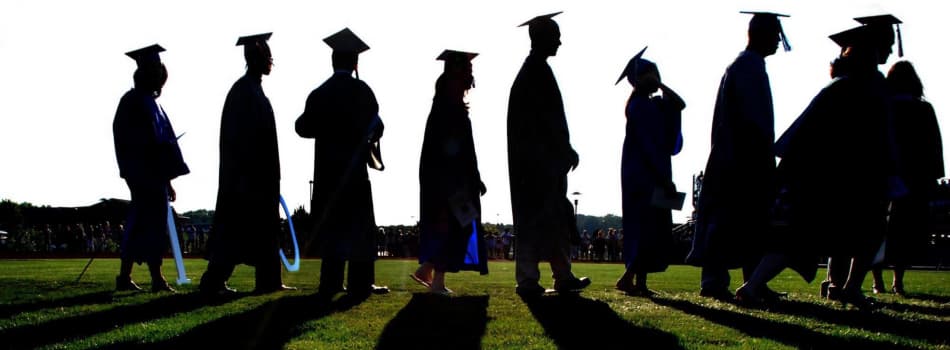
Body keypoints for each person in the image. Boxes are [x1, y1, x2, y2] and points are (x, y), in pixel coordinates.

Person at [737, 19, 902, 309]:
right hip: (840, 178)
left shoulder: (843, 84)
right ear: (872, 49)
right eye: (885, 45)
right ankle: (848, 287)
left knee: (801, 237)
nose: (889, 51)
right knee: (855, 231)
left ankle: (754, 287)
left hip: (827, 176)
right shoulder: (867, 86)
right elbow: (874, 136)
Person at [687, 11, 790, 300]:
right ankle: (716, 281)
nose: (777, 41)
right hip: (741, 159)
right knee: (731, 221)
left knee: (745, 222)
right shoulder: (747, 68)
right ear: (761, 35)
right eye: (774, 35)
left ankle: (747, 279)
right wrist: (763, 156)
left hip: (735, 156)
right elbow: (753, 121)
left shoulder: (747, 66)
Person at [296, 28, 389, 299]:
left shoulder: (320, 92)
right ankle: (361, 283)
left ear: (333, 61)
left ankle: (331, 282)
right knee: (359, 229)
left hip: (327, 173)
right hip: (354, 173)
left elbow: (303, 127)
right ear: (355, 63)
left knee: (332, 229)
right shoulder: (362, 91)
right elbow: (378, 127)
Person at [200, 33, 295, 296]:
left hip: (260, 177)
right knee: (236, 231)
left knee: (263, 230)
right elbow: (237, 139)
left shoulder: (253, 89)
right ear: (255, 58)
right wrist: (244, 176)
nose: (271, 61)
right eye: (267, 56)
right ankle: (213, 281)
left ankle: (269, 281)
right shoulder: (243, 91)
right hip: (247, 177)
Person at [508, 12, 591, 297]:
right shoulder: (535, 72)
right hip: (535, 167)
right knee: (535, 219)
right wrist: (562, 149)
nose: (560, 42)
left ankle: (561, 274)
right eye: (555, 36)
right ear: (542, 38)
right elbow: (547, 122)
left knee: (554, 218)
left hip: (541, 164)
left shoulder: (535, 70)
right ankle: (529, 278)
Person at [112, 44, 189, 293]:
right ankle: (155, 278)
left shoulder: (148, 103)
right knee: (149, 225)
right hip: (144, 173)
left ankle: (126, 277)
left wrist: (167, 180)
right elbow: (142, 142)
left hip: (150, 174)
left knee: (143, 224)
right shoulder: (135, 102)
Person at [411, 50, 489, 295]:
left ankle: (430, 271)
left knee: (456, 227)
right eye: (466, 73)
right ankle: (435, 279)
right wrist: (470, 178)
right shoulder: (449, 109)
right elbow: (456, 150)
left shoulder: (445, 106)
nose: (470, 79)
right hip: (450, 181)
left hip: (449, 179)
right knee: (455, 227)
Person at [614, 48, 686, 295]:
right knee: (645, 228)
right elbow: (648, 146)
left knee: (652, 228)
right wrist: (664, 179)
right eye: (653, 74)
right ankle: (633, 281)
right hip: (644, 176)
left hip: (649, 173)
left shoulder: (651, 104)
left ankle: (635, 281)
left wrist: (661, 84)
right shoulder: (640, 107)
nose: (657, 78)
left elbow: (679, 104)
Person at [871, 61, 944, 296]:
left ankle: (877, 280)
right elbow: (934, 147)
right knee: (904, 230)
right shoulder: (923, 109)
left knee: (879, 228)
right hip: (914, 178)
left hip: (886, 173)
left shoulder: (885, 108)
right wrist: (933, 177)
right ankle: (897, 281)